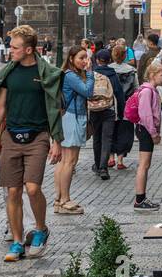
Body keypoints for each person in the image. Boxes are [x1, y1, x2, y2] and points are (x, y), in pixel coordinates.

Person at [0, 24, 62, 260]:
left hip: (37, 136)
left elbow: (54, 108)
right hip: (11, 136)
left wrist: (56, 141)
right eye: (11, 47)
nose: (11, 51)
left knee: (32, 188)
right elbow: (0, 108)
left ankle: (40, 229)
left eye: (15, 47)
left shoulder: (45, 73)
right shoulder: (9, 73)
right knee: (12, 191)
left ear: (30, 50)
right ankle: (18, 242)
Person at [54, 44, 95, 215]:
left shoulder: (68, 74)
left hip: (67, 117)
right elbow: (88, 92)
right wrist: (91, 73)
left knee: (64, 161)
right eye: (81, 58)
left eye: (86, 58)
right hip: (72, 118)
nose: (85, 61)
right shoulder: (71, 75)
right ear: (71, 59)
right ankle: (64, 200)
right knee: (70, 161)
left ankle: (59, 200)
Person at [130, 61, 162, 210]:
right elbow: (146, 115)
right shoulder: (147, 91)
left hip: (145, 130)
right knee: (143, 165)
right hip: (145, 130)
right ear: (152, 75)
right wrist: (154, 133)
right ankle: (139, 199)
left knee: (146, 164)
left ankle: (141, 197)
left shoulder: (151, 90)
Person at [90, 48, 123, 180]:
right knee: (107, 139)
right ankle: (104, 167)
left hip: (94, 109)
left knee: (96, 138)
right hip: (109, 110)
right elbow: (119, 94)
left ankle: (97, 165)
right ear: (109, 61)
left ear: (97, 60)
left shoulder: (92, 74)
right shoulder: (113, 74)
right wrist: (120, 112)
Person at [108, 41, 138, 169]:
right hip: (126, 105)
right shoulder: (131, 70)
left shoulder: (108, 70)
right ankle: (120, 161)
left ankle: (110, 158)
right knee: (124, 131)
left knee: (111, 130)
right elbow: (137, 89)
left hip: (111, 105)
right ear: (125, 55)